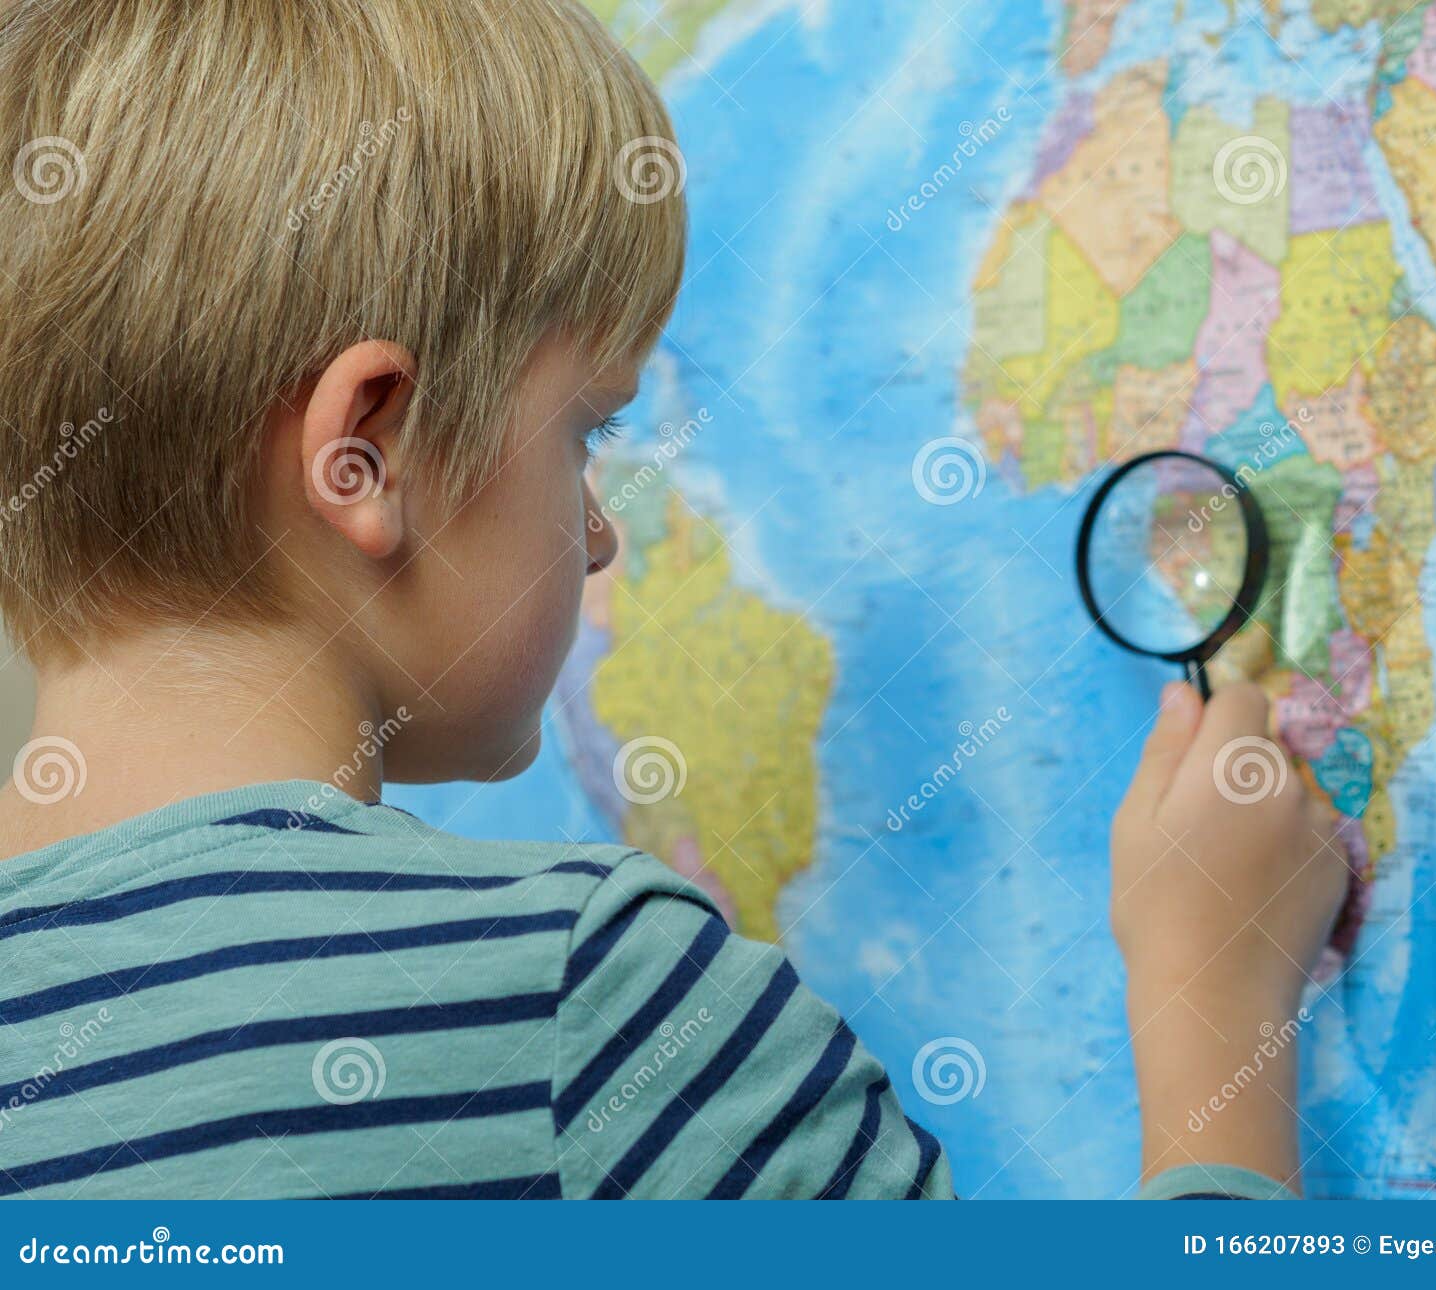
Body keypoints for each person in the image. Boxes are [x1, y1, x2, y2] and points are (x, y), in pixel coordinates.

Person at [0, 0, 1348, 1198]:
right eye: (586, 429)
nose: (594, 535)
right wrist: (1213, 1009)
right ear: (371, 449)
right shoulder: (593, 1012)